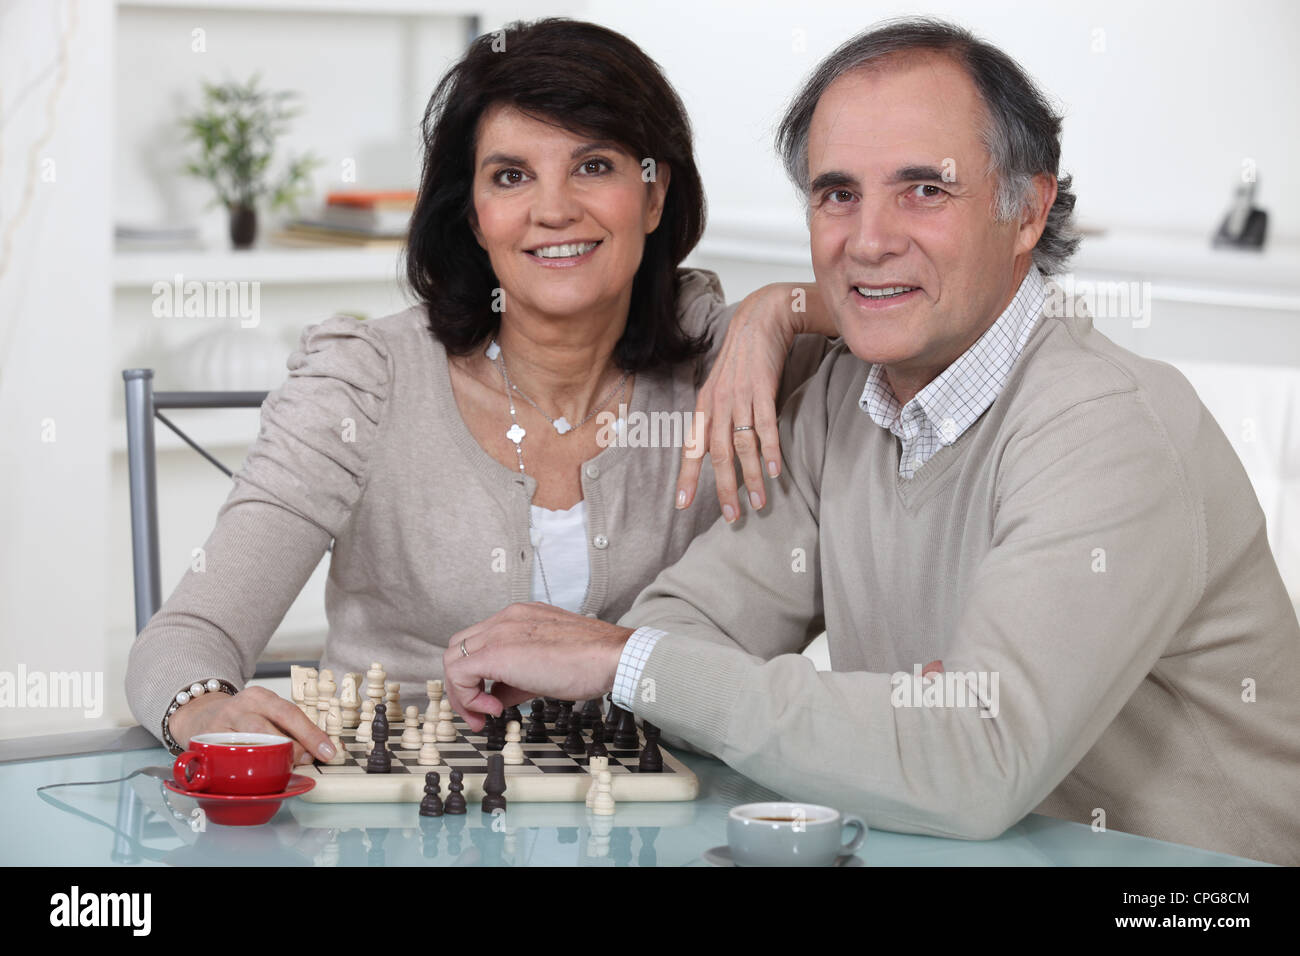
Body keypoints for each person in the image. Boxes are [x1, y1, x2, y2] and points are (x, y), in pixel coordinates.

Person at [442, 18, 1300, 865]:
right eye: (838, 193)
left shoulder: (1107, 426)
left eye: (926, 189)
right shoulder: (845, 397)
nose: (869, 238)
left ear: (1029, 209)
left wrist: (625, 660)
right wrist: (870, 716)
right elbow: (694, 625)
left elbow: (972, 765)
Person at [125, 19, 835, 764]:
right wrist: (203, 710)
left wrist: (775, 313)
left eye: (594, 166)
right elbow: (183, 640)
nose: (554, 210)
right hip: (405, 819)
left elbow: (923, 317)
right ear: (472, 214)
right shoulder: (366, 382)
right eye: (510, 176)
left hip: (664, 817)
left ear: (654, 197)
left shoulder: (730, 370)